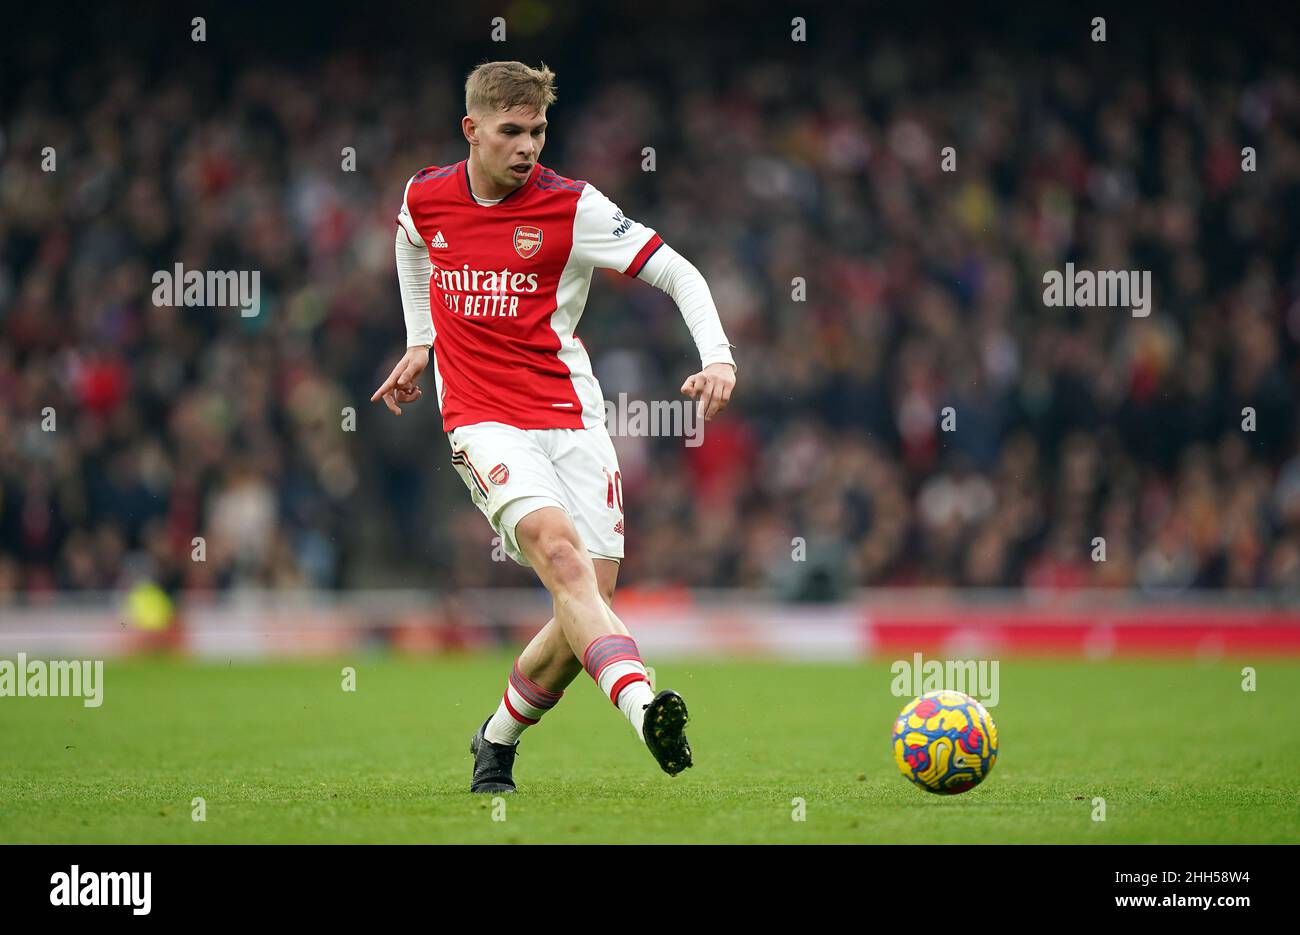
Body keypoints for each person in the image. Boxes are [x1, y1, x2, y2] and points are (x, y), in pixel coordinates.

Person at [371, 60, 737, 793]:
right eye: (510, 131)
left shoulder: (574, 206)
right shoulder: (428, 194)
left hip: (572, 418)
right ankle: (645, 709)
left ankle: (493, 741)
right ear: (471, 131)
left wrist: (717, 358)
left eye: (537, 130)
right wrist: (422, 340)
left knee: (583, 611)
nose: (527, 146)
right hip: (482, 422)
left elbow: (680, 272)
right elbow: (411, 240)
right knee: (563, 560)